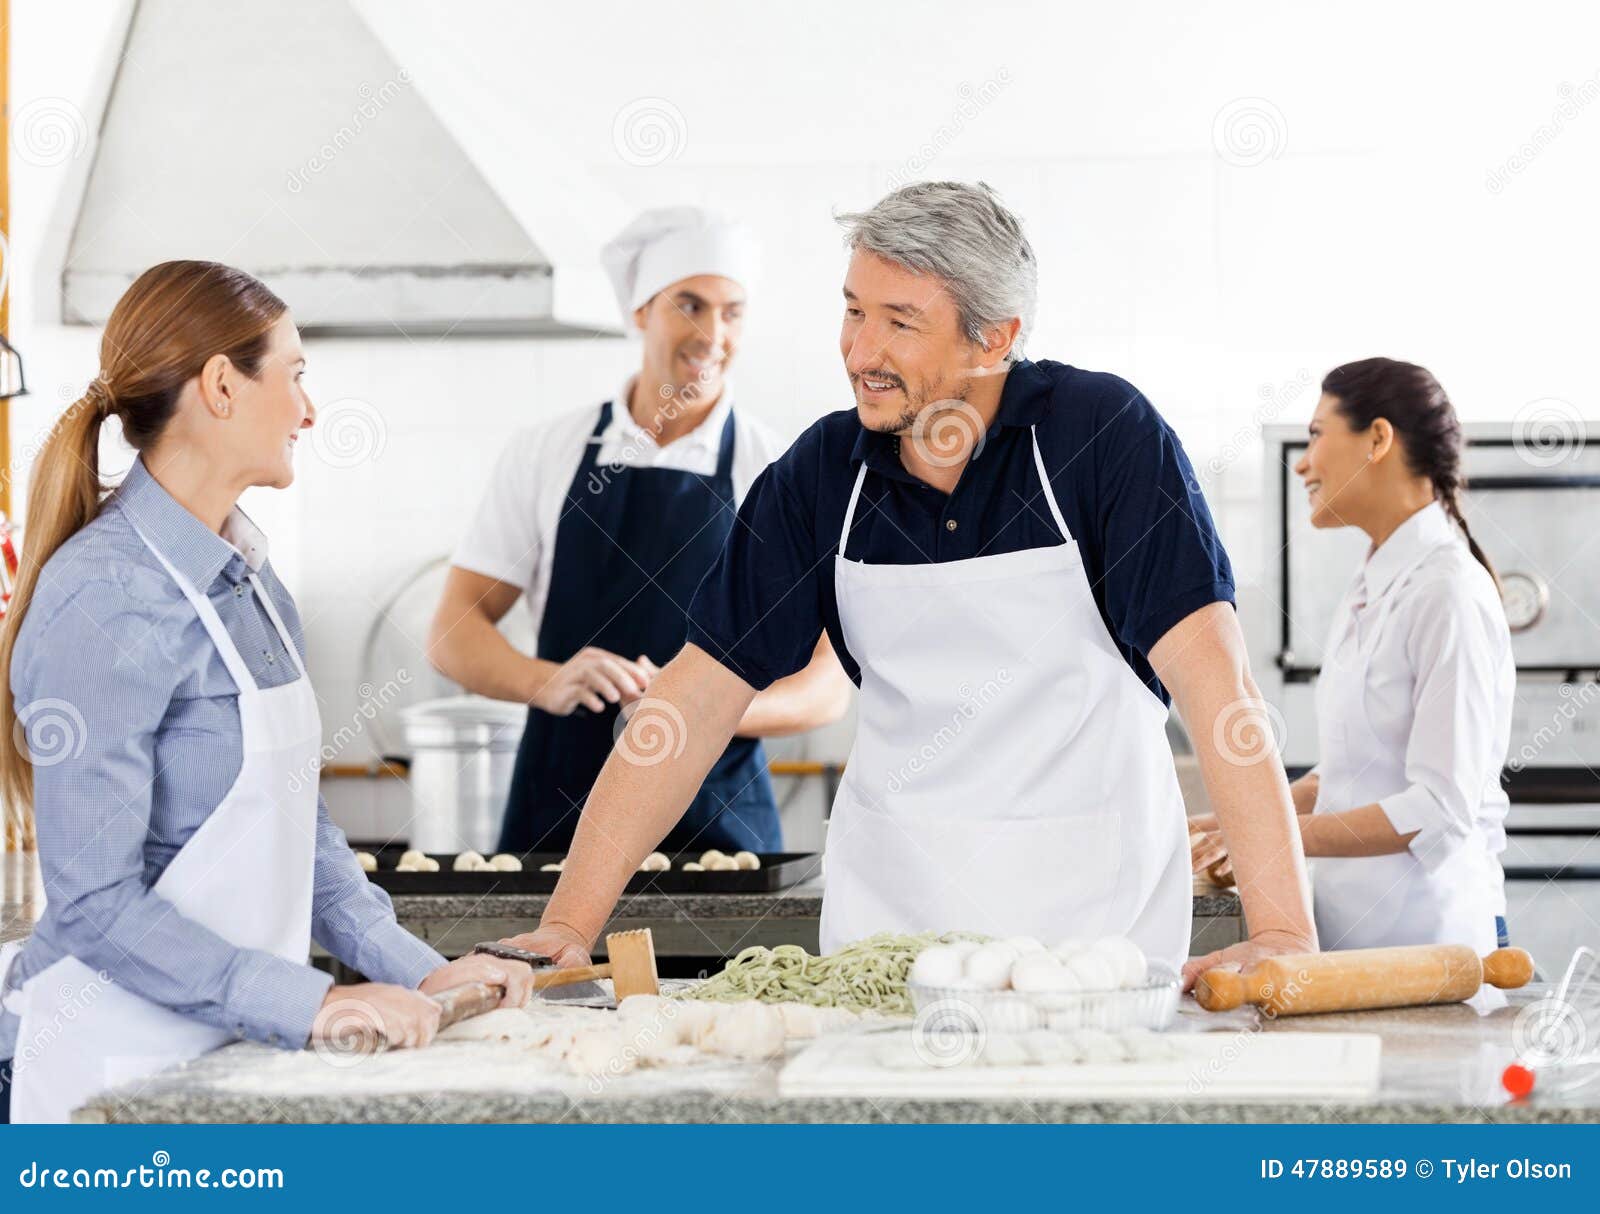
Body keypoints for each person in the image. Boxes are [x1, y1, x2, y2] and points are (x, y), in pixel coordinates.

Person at [502, 182, 1317, 986]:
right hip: (886, 948)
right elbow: (693, 700)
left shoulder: (1101, 439)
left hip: (1090, 947)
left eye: (900, 323)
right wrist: (568, 925)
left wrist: (1281, 927)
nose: (861, 353)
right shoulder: (822, 475)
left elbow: (1218, 686)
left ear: (993, 340)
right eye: (855, 311)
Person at [0, 262, 534, 1124]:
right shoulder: (101, 599)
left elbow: (298, 824)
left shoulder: (248, 577)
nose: (310, 411)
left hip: (226, 1056)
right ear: (220, 385)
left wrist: (413, 968)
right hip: (96, 1068)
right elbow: (95, 903)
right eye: (295, 376)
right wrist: (312, 1003)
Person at [429, 207, 850, 856]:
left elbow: (826, 686)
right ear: (640, 312)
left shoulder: (775, 467)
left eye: (732, 311)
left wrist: (694, 709)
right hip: (558, 820)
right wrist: (545, 680)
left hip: (718, 833)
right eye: (689, 304)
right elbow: (453, 633)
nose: (713, 334)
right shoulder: (547, 451)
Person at [1191, 358, 1514, 955]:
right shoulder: (1374, 582)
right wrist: (1237, 820)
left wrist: (1273, 839)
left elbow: (1438, 809)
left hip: (1434, 947)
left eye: (1316, 434)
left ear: (1378, 438)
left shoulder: (1448, 591)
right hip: (1355, 941)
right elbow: (1351, 775)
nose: (1302, 462)